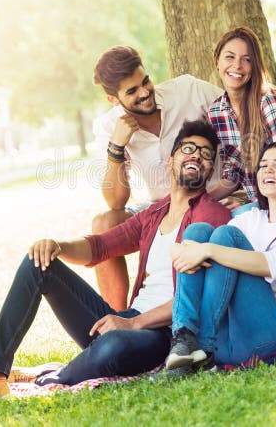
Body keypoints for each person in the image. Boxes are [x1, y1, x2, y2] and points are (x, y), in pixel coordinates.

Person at [0, 120, 230, 409]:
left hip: (164, 333)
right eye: (188, 148)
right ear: (171, 160)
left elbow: (201, 297)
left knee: (114, 345)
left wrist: (133, 323)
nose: (196, 156)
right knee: (38, 264)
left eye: (205, 154)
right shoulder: (154, 214)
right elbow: (101, 245)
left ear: (210, 168)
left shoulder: (212, 217)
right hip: (124, 319)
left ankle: (49, 378)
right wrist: (58, 247)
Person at [165, 142, 276, 373]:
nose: (268, 170)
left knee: (225, 236)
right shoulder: (251, 217)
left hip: (272, 335)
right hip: (229, 339)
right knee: (197, 232)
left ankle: (201, 346)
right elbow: (193, 248)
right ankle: (184, 336)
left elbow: (273, 265)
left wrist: (207, 251)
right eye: (263, 166)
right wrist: (178, 250)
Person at [91, 46, 222, 311]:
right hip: (160, 208)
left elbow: (240, 109)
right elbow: (116, 202)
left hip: (212, 195)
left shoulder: (188, 90)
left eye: (145, 81)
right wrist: (117, 145)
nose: (144, 92)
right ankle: (117, 318)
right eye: (131, 91)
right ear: (113, 99)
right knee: (104, 222)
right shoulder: (109, 127)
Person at [206, 26, 276, 210]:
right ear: (217, 61)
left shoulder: (269, 101)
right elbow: (233, 173)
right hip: (261, 202)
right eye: (230, 57)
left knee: (225, 228)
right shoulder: (216, 112)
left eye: (246, 60)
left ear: (255, 67)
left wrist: (248, 205)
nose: (237, 65)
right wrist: (200, 202)